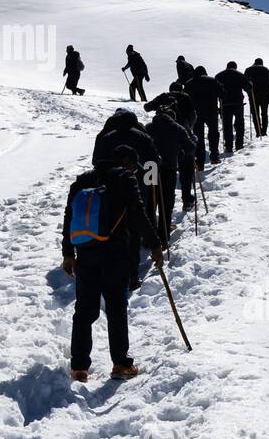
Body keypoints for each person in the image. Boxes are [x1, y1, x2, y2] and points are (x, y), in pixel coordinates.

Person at [62, 142, 164, 381]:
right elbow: (139, 213)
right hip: (115, 252)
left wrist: (68, 252)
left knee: (84, 310)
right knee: (116, 307)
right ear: (127, 162)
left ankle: (79, 367)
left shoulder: (81, 181)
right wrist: (156, 245)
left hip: (85, 253)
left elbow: (69, 216)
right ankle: (120, 364)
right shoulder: (125, 179)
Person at [92, 109, 161, 285]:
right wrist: (150, 178)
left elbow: (96, 162)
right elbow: (154, 161)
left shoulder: (106, 137)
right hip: (137, 181)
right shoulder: (142, 136)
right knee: (135, 225)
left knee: (112, 224)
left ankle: (109, 267)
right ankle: (132, 274)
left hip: (110, 185)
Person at [148, 104, 197, 243]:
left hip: (150, 168)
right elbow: (189, 148)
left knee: (150, 200)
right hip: (168, 168)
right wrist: (194, 140)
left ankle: (149, 236)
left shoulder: (148, 128)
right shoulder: (177, 128)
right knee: (166, 202)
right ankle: (163, 236)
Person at [188, 66, 223, 169]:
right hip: (211, 111)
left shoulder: (189, 83)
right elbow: (222, 93)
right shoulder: (212, 81)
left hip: (196, 114)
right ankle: (214, 157)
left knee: (198, 137)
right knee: (213, 133)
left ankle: (200, 162)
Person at [215, 60, 252, 154]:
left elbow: (214, 91)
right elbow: (248, 87)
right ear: (235, 67)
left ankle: (229, 146)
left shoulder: (219, 76)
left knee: (227, 125)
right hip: (238, 103)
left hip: (225, 104)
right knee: (239, 123)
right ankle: (239, 144)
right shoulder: (239, 75)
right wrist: (250, 85)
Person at [244, 57, 269, 135]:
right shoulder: (265, 70)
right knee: (264, 114)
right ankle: (264, 131)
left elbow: (244, 83)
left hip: (253, 96)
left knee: (255, 114)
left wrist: (248, 92)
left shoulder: (248, 70)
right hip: (265, 96)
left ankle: (258, 131)